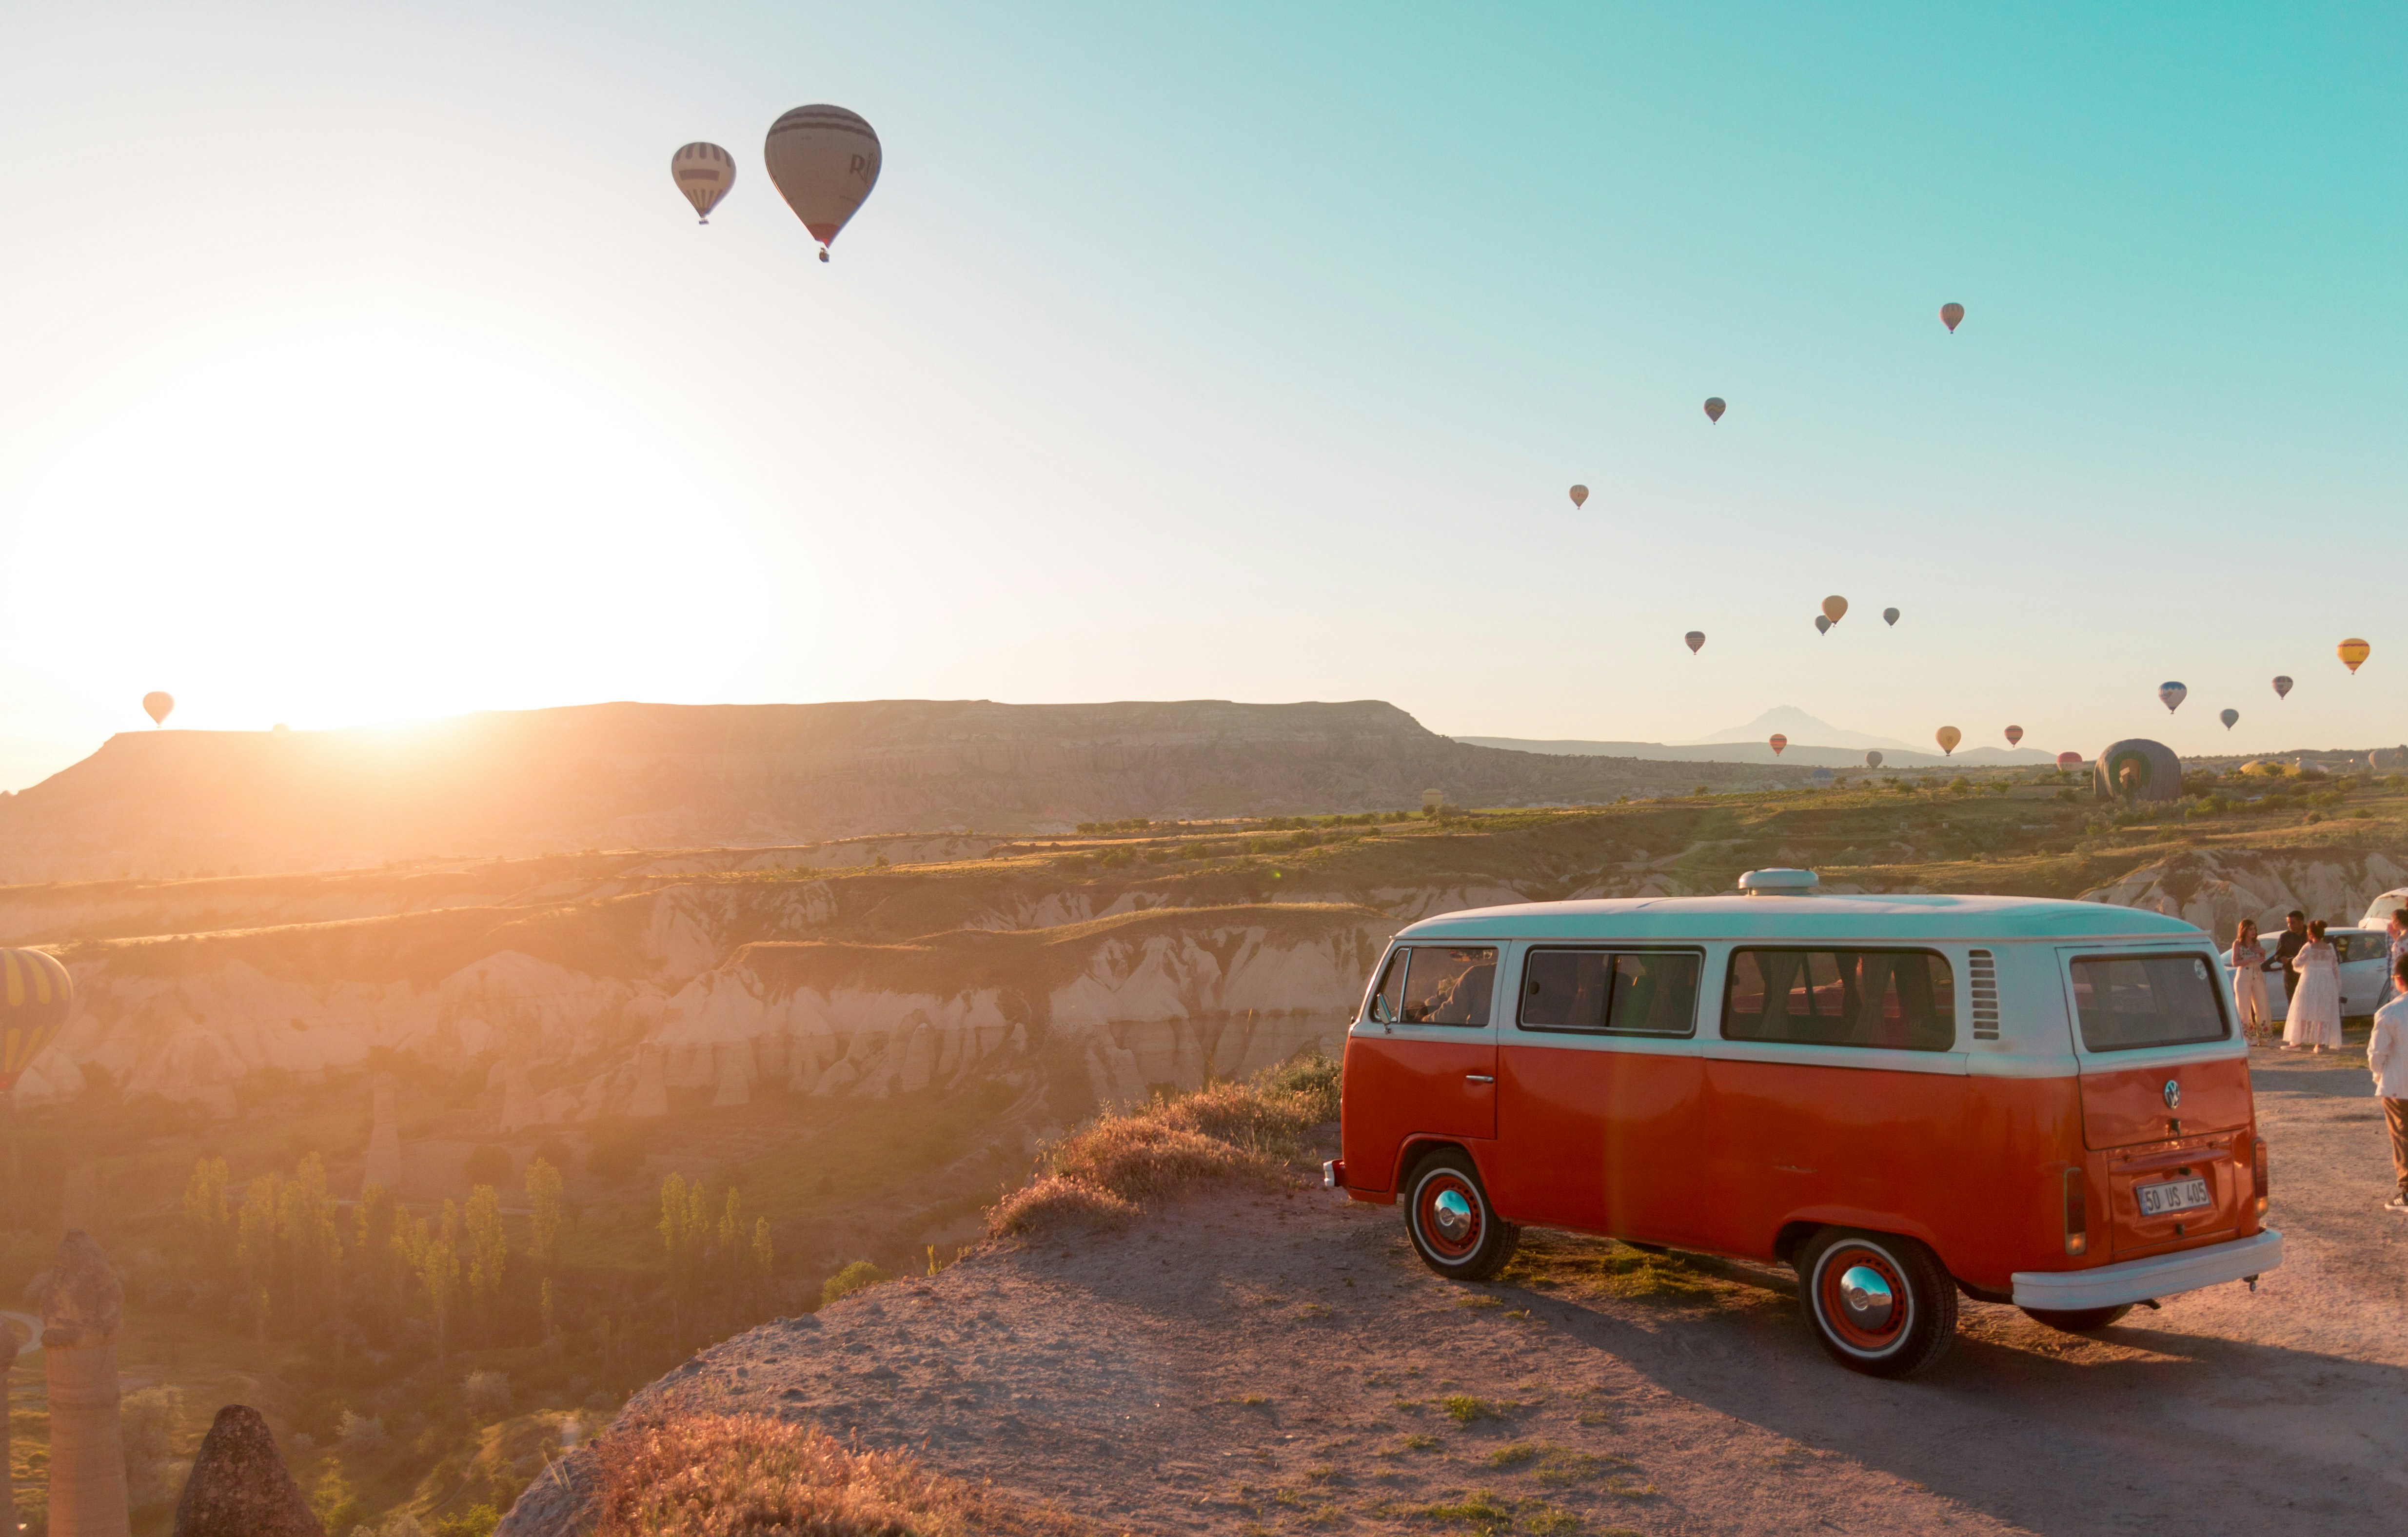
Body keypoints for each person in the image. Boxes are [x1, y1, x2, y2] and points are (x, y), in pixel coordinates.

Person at [2370, 956, 2408, 1213]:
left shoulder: (2389, 1012)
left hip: (2399, 1085)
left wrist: (2378, 1076)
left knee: (2403, 1137)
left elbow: (2376, 1054)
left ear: (2398, 979)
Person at [2283, 919, 2345, 1052]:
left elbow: (2297, 964)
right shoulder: (2330, 949)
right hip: (2326, 981)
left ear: (2310, 933)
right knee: (2322, 1011)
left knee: (2303, 1010)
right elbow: (2335, 968)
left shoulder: (2308, 947)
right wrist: (2337, 986)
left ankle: (2297, 1043)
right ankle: (2320, 1044)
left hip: (2310, 980)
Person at [2229, 919, 2271, 1044]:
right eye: (2250, 929)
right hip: (2244, 974)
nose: (2253, 932)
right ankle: (2248, 1037)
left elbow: (2262, 959)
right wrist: (2250, 959)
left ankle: (2265, 1037)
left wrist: (2262, 953)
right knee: (2244, 1006)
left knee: (2262, 1004)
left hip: (2257, 973)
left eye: (2254, 929)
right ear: (2244, 930)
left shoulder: (2257, 943)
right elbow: (2235, 962)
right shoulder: (2238, 944)